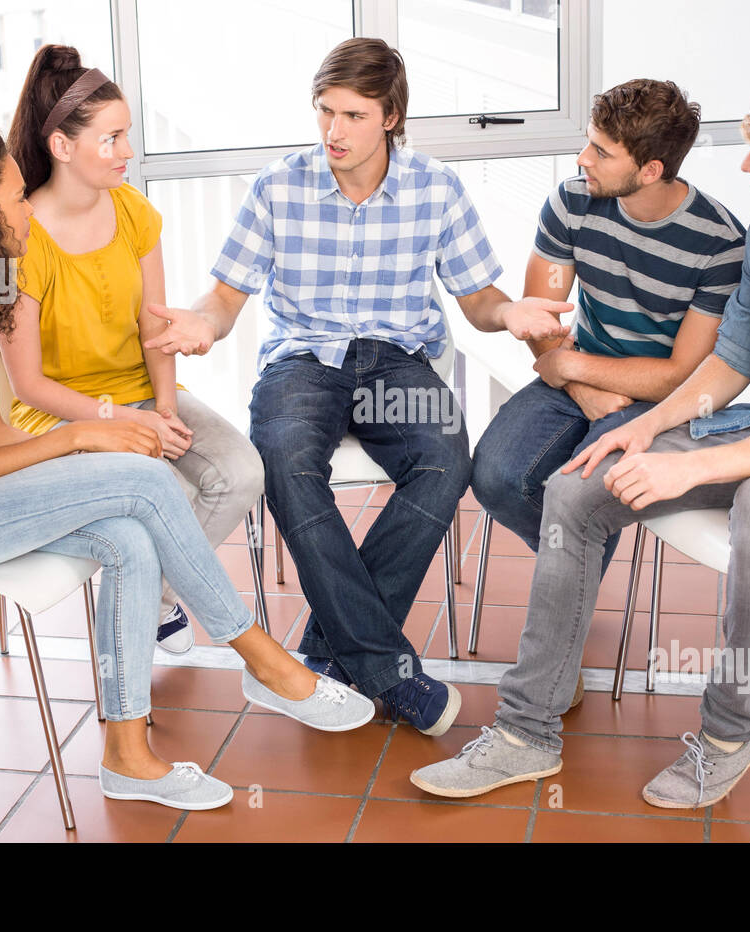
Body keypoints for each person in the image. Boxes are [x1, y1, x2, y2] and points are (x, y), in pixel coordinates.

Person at [411, 76, 750, 806]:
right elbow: (734, 362)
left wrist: (682, 472)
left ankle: (734, 725)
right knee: (576, 486)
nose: (747, 167)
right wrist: (648, 428)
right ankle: (525, 732)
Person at [0, 109, 373, 814]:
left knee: (129, 536)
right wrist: (80, 438)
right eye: (14, 197)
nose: (27, 210)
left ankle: (126, 755)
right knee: (142, 482)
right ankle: (262, 658)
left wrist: (81, 444)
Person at [144, 38, 572, 737]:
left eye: (352, 115)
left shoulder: (435, 188)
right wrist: (203, 322)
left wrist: (510, 315)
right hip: (302, 361)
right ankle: (386, 671)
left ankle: (327, 654)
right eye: (324, 112)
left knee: (445, 465)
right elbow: (225, 297)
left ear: (391, 117)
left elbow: (478, 299)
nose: (334, 131)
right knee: (283, 465)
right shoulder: (280, 184)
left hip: (398, 359)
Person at [470, 80, 745, 705]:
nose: (582, 161)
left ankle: (553, 663)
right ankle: (576, 572)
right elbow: (542, 317)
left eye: (600, 151)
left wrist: (573, 370)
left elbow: (681, 374)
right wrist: (570, 374)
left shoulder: (720, 242)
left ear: (650, 169)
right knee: (492, 474)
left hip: (655, 404)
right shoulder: (573, 202)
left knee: (579, 499)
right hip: (579, 373)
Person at [0, 45, 265, 655]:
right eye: (111, 138)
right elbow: (27, 388)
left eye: (128, 136)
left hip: (143, 393)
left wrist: (165, 408)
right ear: (63, 147)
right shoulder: (22, 242)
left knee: (243, 471)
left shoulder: (135, 213)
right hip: (66, 415)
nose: (127, 152)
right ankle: (135, 608)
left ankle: (153, 599)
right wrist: (125, 422)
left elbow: (158, 330)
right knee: (163, 489)